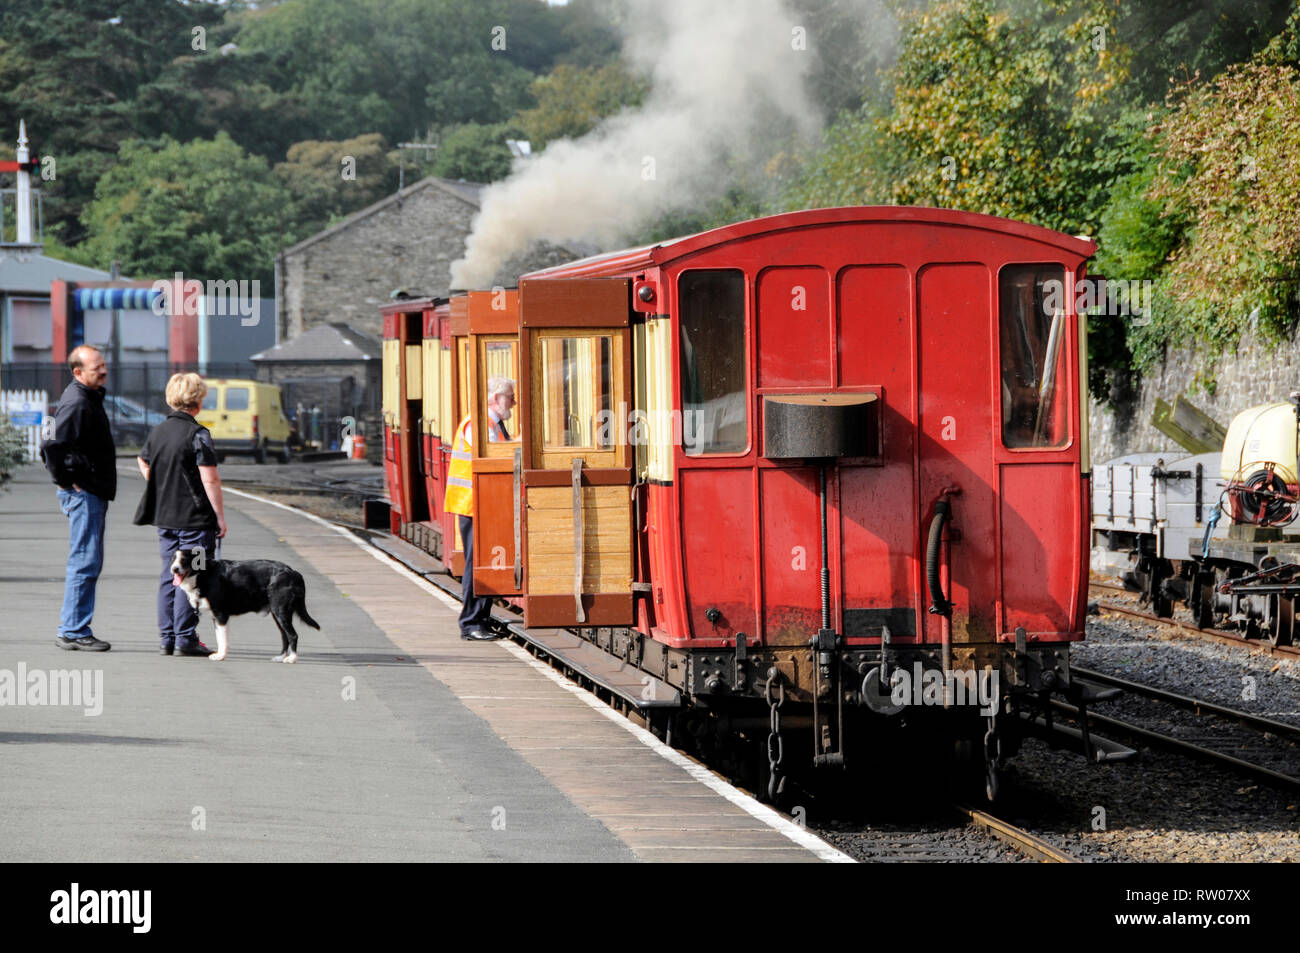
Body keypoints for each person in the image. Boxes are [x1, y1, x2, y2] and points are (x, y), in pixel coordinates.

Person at [133, 373, 227, 657]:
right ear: (198, 401)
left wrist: (159, 484)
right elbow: (210, 479)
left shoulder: (157, 431)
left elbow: (143, 459)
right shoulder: (199, 434)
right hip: (196, 522)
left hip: (167, 519)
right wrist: (219, 516)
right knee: (194, 573)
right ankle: (186, 638)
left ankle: (167, 638)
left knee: (169, 575)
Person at [42, 345, 116, 651]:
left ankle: (74, 627)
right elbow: (51, 445)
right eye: (96, 367)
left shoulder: (86, 398)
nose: (103, 370)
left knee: (87, 560)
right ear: (77, 372)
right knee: (85, 561)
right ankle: (73, 630)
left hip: (89, 490)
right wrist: (65, 481)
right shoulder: (78, 402)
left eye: (103, 364)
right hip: (85, 493)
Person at [445, 377, 515, 640]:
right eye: (510, 396)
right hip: (475, 506)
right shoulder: (479, 424)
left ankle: (480, 620)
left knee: (485, 563)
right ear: (495, 398)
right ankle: (471, 623)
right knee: (477, 564)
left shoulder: (492, 424)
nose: (514, 402)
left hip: (485, 506)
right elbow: (491, 459)